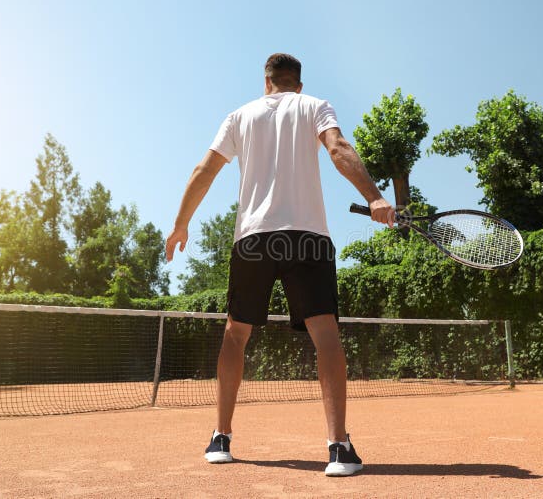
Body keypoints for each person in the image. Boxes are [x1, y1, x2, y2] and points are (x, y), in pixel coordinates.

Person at [165, 53, 394, 477]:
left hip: (253, 237)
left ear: (266, 82)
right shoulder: (314, 106)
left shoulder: (240, 116)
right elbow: (339, 148)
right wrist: (374, 197)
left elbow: (205, 169)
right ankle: (339, 449)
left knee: (236, 333)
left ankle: (221, 438)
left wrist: (181, 224)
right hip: (308, 237)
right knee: (324, 334)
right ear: (298, 85)